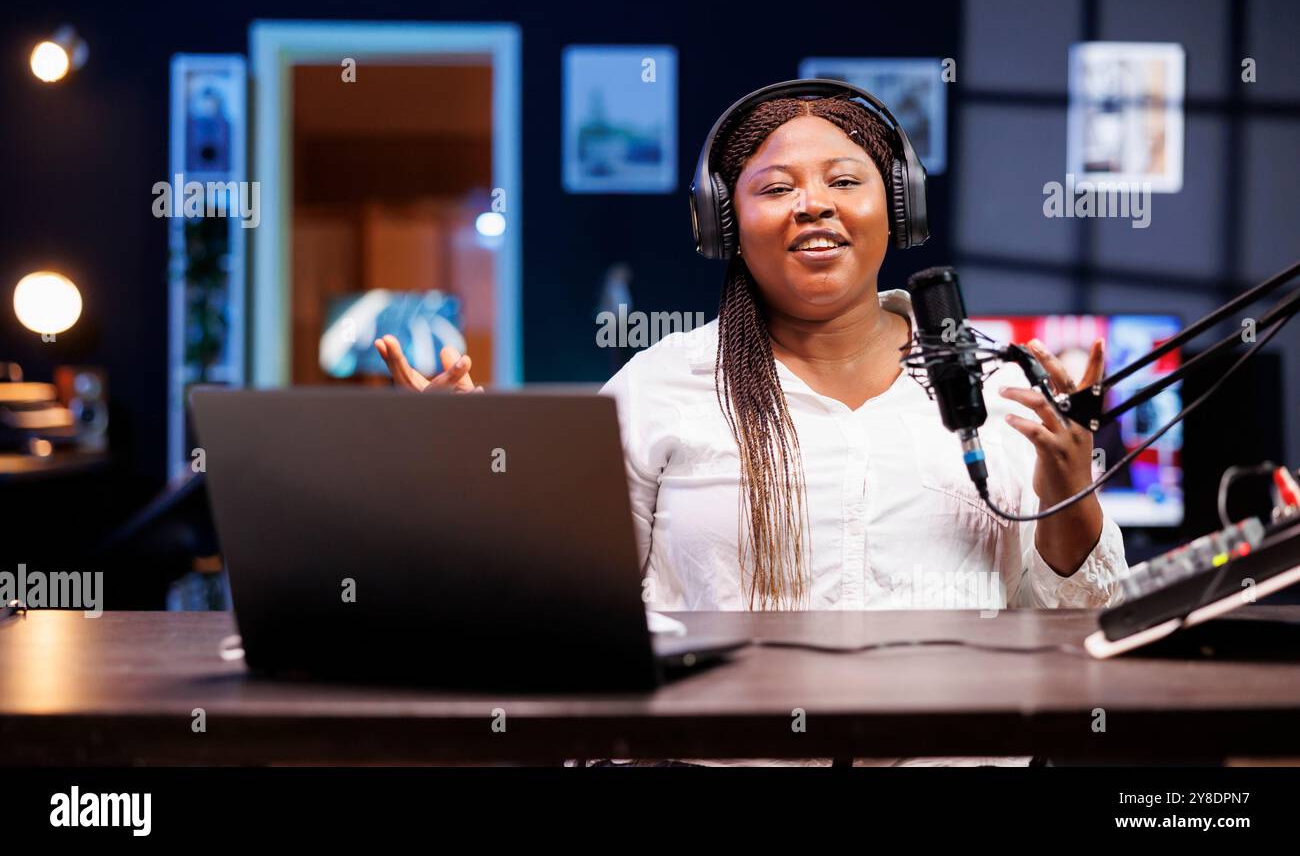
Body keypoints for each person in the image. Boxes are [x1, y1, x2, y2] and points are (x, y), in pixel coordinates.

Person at [376, 87, 1128, 766]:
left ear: (898, 208)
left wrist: (1069, 488)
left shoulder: (997, 389)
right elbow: (569, 607)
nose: (813, 205)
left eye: (844, 180)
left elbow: (1081, 625)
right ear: (723, 221)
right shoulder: (659, 386)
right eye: (775, 188)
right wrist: (470, 468)